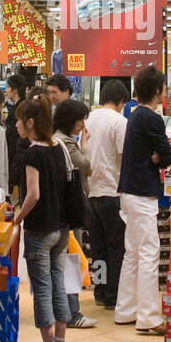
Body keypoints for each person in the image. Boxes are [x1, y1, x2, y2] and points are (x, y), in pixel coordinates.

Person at [12, 98, 73, 342]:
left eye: (19, 120)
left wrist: (17, 217)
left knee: (42, 287)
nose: (15, 125)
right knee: (59, 282)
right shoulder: (59, 146)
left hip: (40, 229)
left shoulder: (32, 154)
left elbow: (33, 194)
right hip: (62, 227)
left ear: (31, 123)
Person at [116, 65, 171, 335]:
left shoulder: (135, 116)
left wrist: (158, 155)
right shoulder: (151, 118)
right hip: (141, 193)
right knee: (149, 252)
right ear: (158, 90)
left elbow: (160, 153)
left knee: (133, 253)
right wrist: (159, 156)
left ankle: (126, 310)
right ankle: (148, 316)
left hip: (128, 191)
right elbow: (167, 154)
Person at [83, 80, 127, 310]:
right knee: (116, 246)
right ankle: (113, 295)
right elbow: (122, 157)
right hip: (112, 190)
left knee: (98, 248)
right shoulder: (120, 122)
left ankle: (99, 292)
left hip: (91, 190)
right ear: (121, 101)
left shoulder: (88, 119)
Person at [52, 98, 97, 328]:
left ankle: (66, 311)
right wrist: (85, 145)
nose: (82, 124)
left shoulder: (55, 139)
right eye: (80, 120)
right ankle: (72, 313)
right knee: (72, 259)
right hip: (70, 209)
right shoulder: (67, 143)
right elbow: (86, 166)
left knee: (66, 260)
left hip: (61, 210)